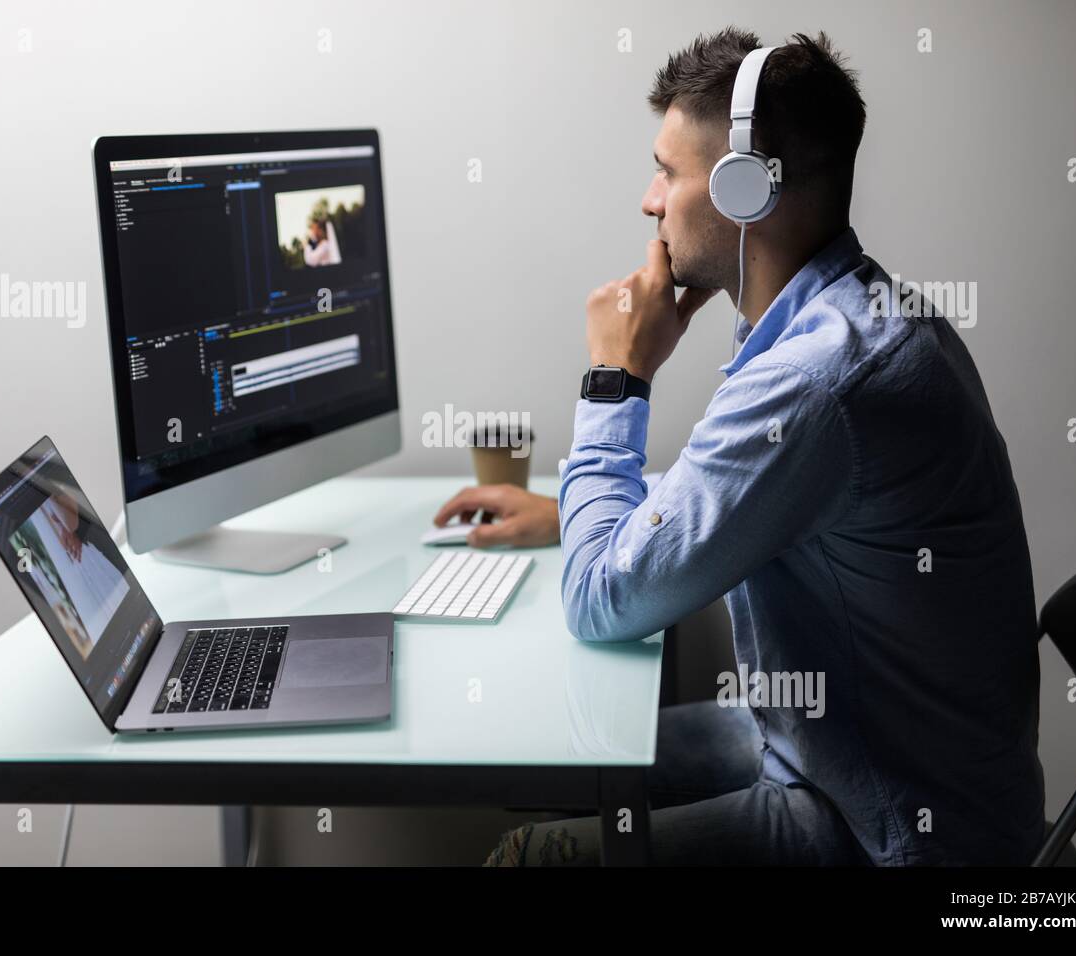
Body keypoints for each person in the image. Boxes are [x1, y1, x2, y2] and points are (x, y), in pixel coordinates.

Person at [437, 28, 1045, 866]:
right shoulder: (856, 317)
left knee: (529, 852)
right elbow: (749, 489)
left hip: (885, 827)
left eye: (669, 171)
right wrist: (573, 509)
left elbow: (597, 602)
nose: (650, 200)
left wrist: (616, 377)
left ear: (745, 190)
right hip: (839, 748)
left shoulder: (817, 379)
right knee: (555, 758)